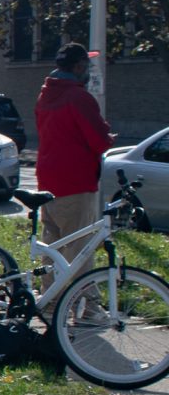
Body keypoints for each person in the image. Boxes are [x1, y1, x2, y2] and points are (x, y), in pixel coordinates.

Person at [35, 42, 116, 282]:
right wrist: (107, 135)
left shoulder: (45, 95)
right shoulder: (79, 97)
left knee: (53, 246)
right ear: (79, 66)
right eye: (86, 66)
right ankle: (85, 307)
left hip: (48, 181)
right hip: (75, 183)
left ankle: (49, 302)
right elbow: (99, 141)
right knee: (80, 249)